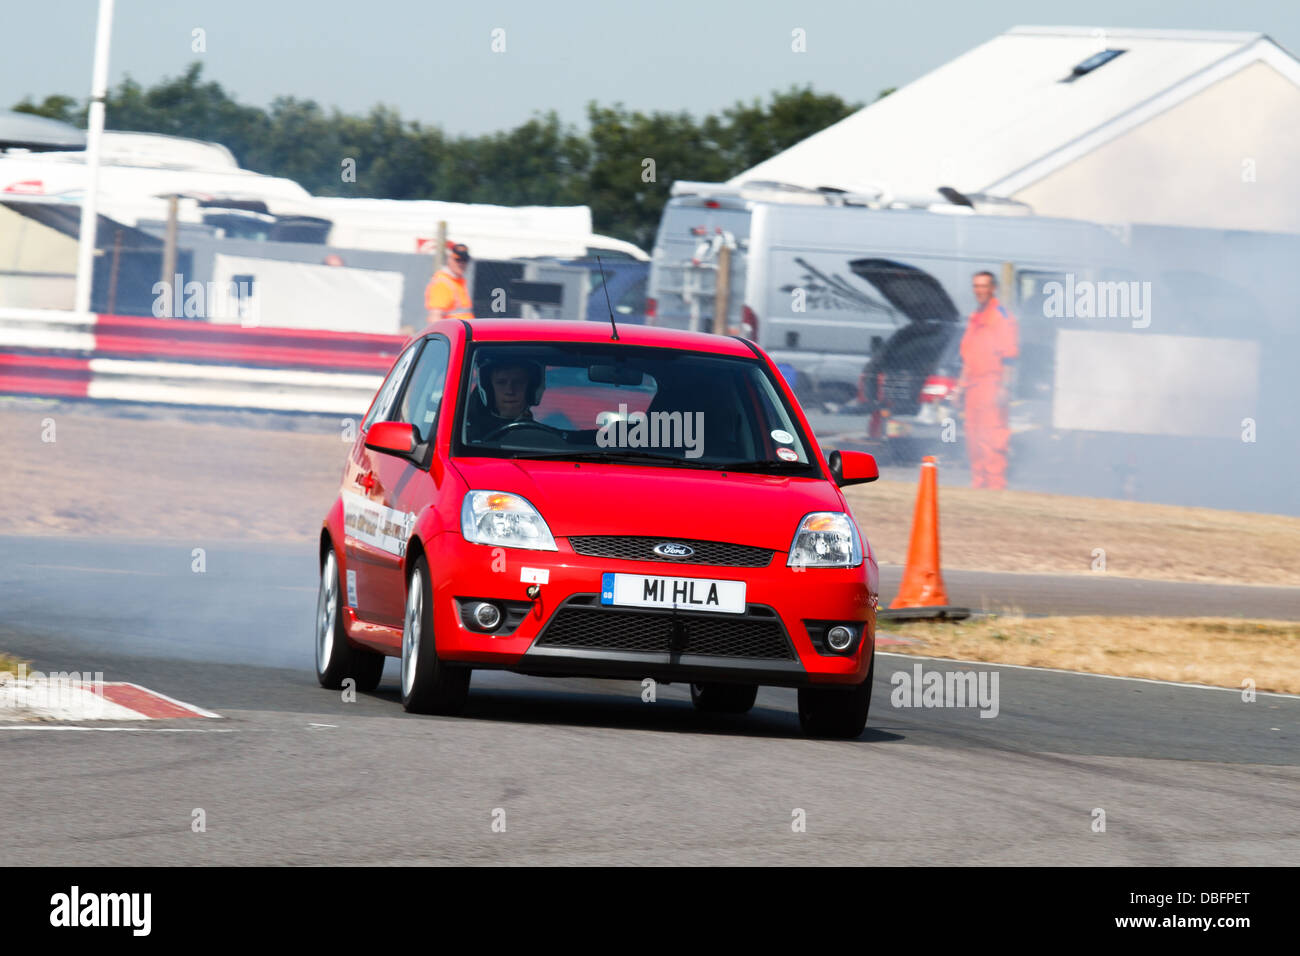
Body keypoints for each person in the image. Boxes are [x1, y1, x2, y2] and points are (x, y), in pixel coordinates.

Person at [954, 271, 1018, 490]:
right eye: (976, 286)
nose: (979, 291)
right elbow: (968, 358)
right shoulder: (975, 317)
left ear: (993, 289)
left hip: (992, 385)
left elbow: (1009, 357)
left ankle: (995, 488)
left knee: (993, 440)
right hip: (973, 387)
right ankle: (978, 486)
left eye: (983, 286)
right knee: (973, 440)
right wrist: (960, 389)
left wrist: (1004, 387)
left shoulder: (1002, 317)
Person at [465, 357, 545, 441]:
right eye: (501, 383)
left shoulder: (551, 440)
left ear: (531, 389)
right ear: (489, 389)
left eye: (518, 382)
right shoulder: (466, 436)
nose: (510, 391)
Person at [425, 242, 474, 323]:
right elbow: (435, 317)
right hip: (452, 334)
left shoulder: (457, 281)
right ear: (449, 259)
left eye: (465, 260)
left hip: (461, 333)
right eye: (458, 260)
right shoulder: (443, 284)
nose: (461, 263)